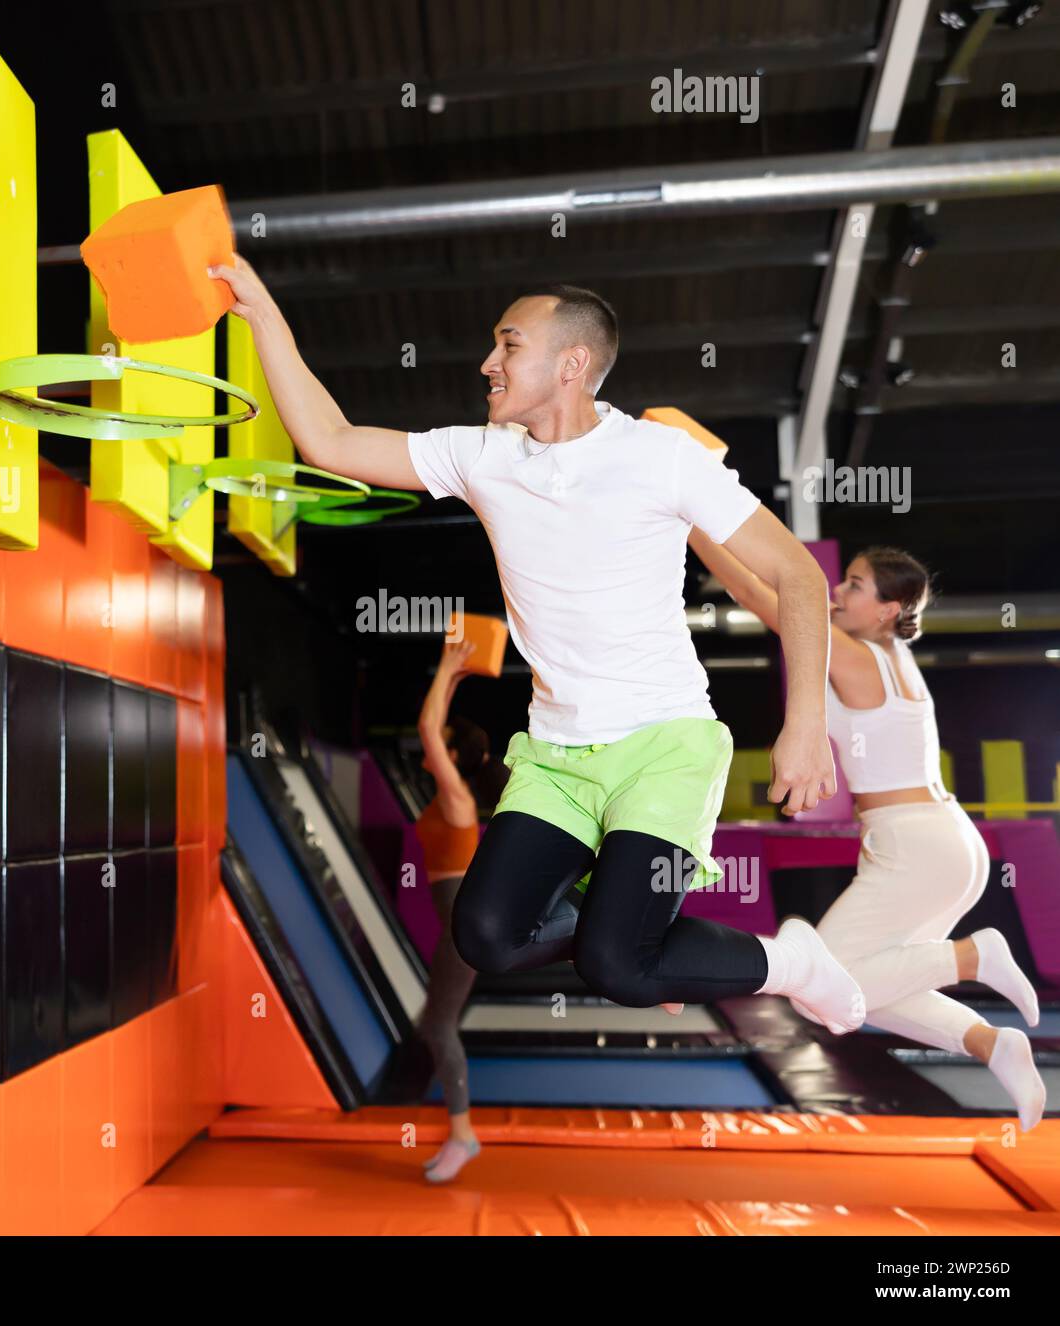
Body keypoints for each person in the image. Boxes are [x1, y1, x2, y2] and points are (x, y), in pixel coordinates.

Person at [208, 256, 865, 1035]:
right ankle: (643, 942)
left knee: (616, 966)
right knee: (486, 934)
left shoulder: (662, 458)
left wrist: (802, 726)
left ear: (571, 365)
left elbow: (795, 574)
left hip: (664, 745)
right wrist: (260, 314)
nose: (488, 363)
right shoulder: (484, 457)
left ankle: (788, 962)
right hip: (557, 756)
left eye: (508, 345)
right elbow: (332, 439)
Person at [688, 533, 1046, 1130]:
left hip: (918, 847)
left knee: (820, 984)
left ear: (886, 610)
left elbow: (756, 592)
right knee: (867, 993)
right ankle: (991, 1043)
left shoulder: (856, 657)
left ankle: (971, 956)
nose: (836, 590)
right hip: (940, 842)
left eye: (854, 585)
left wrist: (698, 523)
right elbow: (767, 591)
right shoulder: (892, 657)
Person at [412, 637, 511, 1182]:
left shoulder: (457, 799)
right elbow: (436, 731)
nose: (428, 745)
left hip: (461, 928)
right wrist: (453, 678)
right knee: (434, 1023)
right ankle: (459, 1132)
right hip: (453, 925)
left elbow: (429, 730)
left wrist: (449, 666)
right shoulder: (446, 791)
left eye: (440, 744)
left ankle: (463, 1134)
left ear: (452, 757)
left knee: (438, 1026)